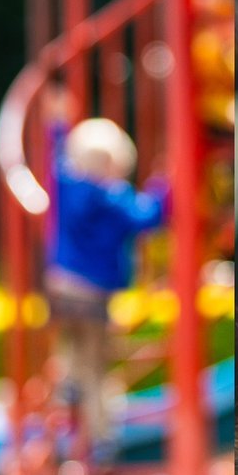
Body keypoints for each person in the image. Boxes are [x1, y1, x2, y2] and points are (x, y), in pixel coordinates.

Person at [45, 103, 169, 455]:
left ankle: (67, 386)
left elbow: (52, 154)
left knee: (69, 345)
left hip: (61, 285)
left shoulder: (64, 184)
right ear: (114, 165)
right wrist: (165, 183)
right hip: (95, 294)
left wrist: (56, 127)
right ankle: (102, 436)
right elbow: (150, 217)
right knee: (97, 366)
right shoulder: (115, 198)